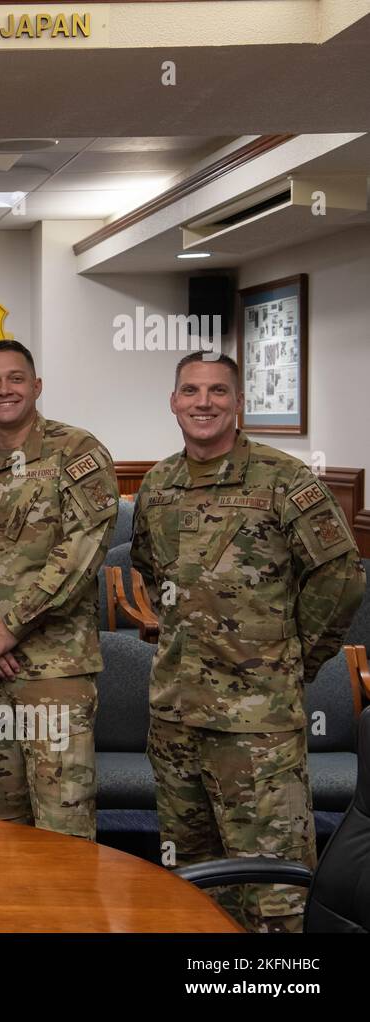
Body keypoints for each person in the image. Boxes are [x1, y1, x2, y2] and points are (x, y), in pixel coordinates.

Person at [131, 351, 365, 932]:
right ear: (173, 401)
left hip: (256, 723)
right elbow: (152, 571)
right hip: (174, 717)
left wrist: (292, 658)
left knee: (273, 885)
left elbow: (341, 578)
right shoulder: (158, 483)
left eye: (216, 391)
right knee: (193, 878)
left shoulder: (283, 478)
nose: (202, 402)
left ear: (238, 403)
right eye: (190, 391)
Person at [0, 340, 118, 841]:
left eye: (16, 378)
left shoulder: (78, 452)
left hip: (54, 673)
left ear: (36, 386)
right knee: (1, 828)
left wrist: (10, 628)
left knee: (63, 826)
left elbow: (82, 552)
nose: (5, 390)